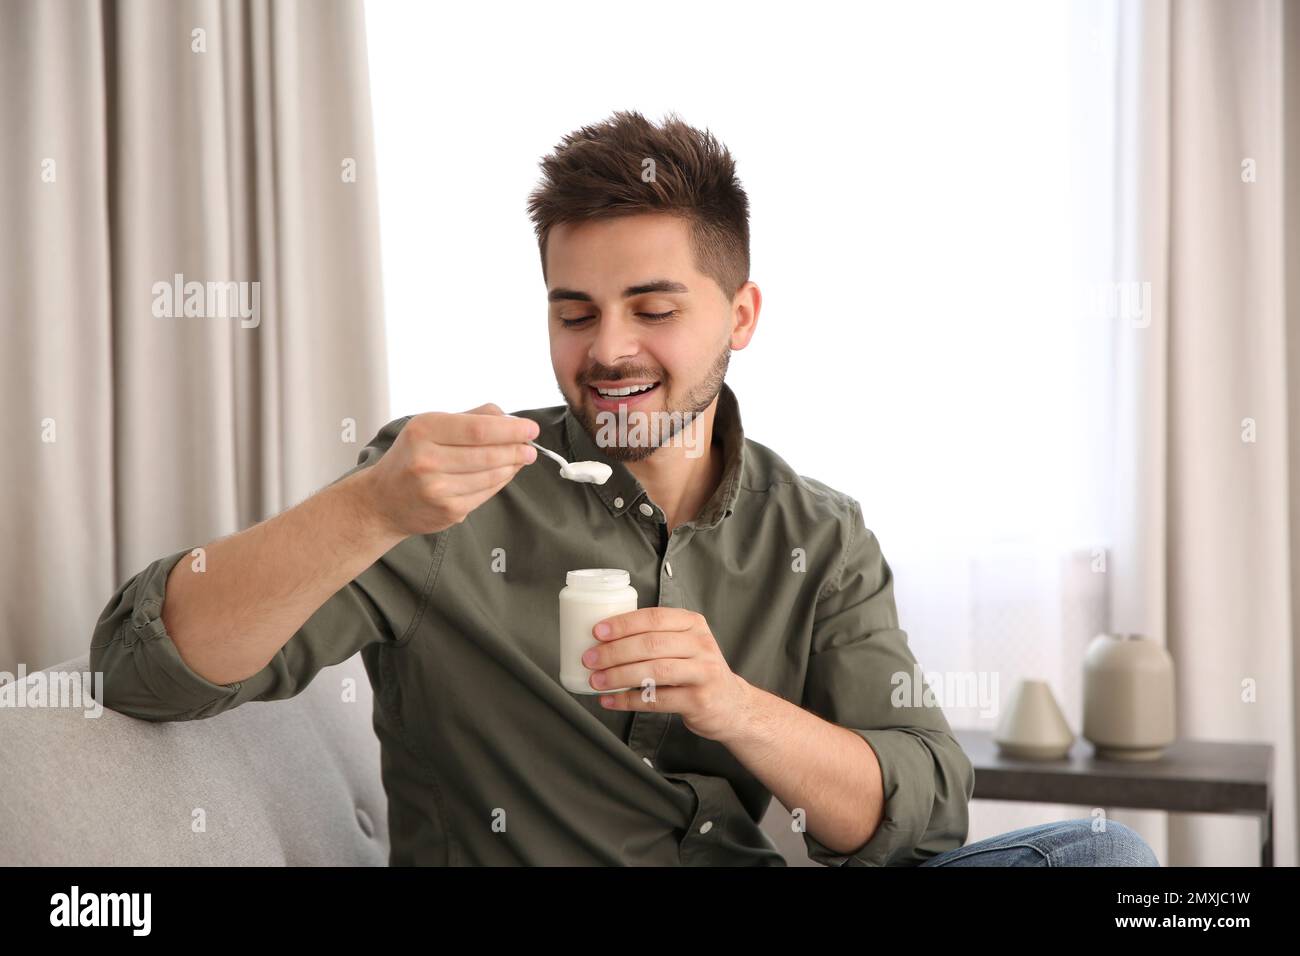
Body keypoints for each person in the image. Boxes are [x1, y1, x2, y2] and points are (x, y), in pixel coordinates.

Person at [90, 109, 1157, 867]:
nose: (607, 349)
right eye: (573, 311)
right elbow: (143, 671)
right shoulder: (440, 495)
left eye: (652, 307)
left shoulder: (816, 534)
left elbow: (922, 814)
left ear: (740, 315)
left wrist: (734, 705)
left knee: (1104, 854)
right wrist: (366, 507)